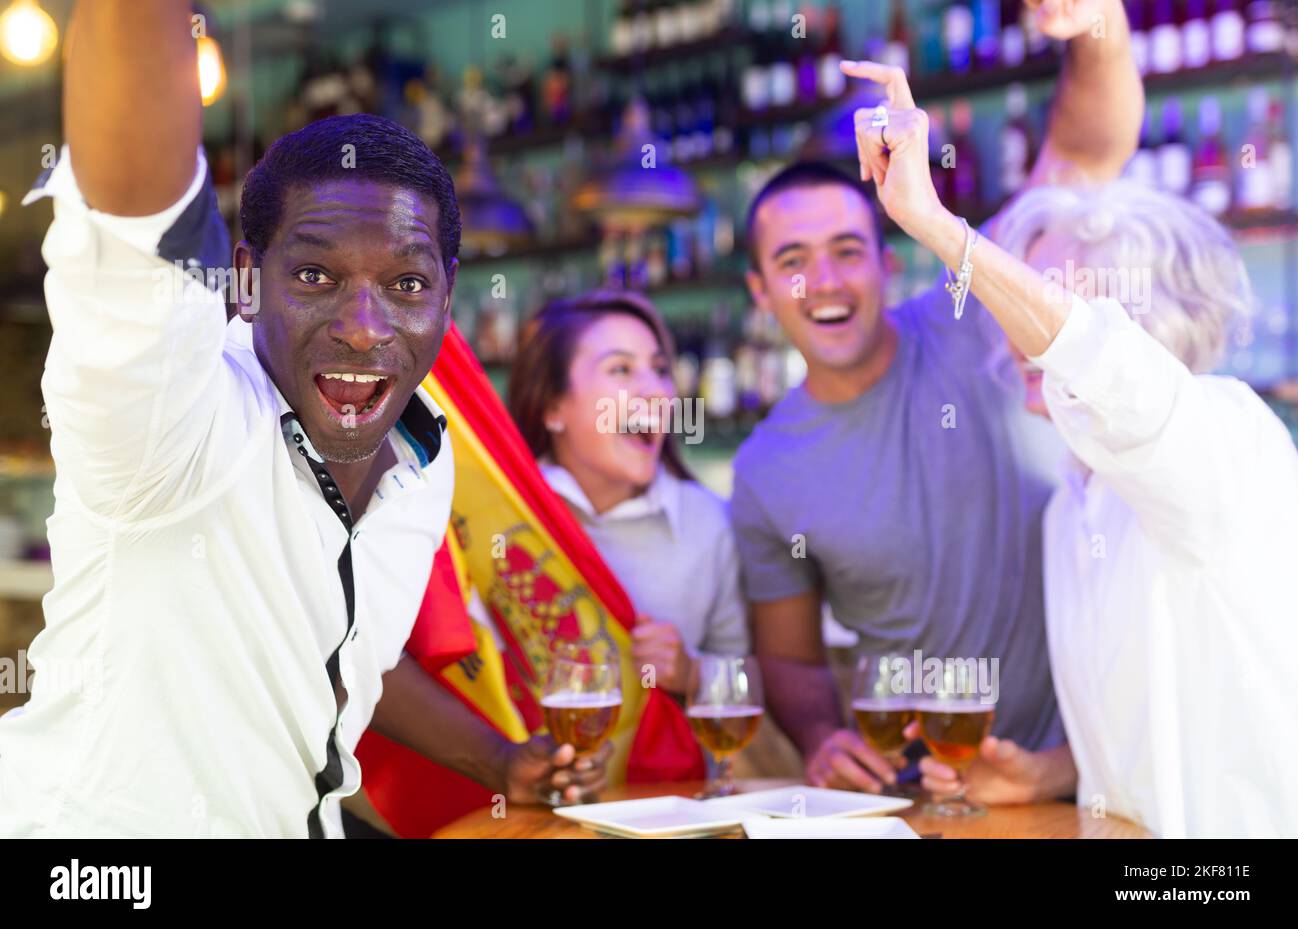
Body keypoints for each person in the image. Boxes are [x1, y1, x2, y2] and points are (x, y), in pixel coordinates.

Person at [0, 0, 600, 839]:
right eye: (316, 275)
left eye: (406, 284)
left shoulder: (423, 451)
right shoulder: (174, 418)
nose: (365, 325)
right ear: (248, 277)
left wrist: (498, 762)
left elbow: (345, 655)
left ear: (448, 293)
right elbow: (135, 221)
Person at [729, 0, 1143, 792]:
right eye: (793, 259)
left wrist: (1101, 26)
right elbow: (788, 655)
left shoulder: (978, 312)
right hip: (925, 792)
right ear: (758, 290)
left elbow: (1086, 157)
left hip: (1090, 771)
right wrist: (820, 736)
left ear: (889, 263)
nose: (824, 281)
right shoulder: (764, 469)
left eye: (849, 250)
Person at [873, 172, 1298, 838]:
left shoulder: (1226, 435)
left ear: (1153, 315)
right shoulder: (1068, 508)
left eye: (1050, 298)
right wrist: (1044, 773)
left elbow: (1109, 368)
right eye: (1020, 293)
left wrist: (938, 226)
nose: (1019, 327)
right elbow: (1150, 726)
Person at [508, 291, 750, 699]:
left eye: (660, 370)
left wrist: (692, 675)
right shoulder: (503, 512)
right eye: (621, 369)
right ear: (552, 405)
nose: (655, 391)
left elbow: (746, 692)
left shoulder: (708, 523)